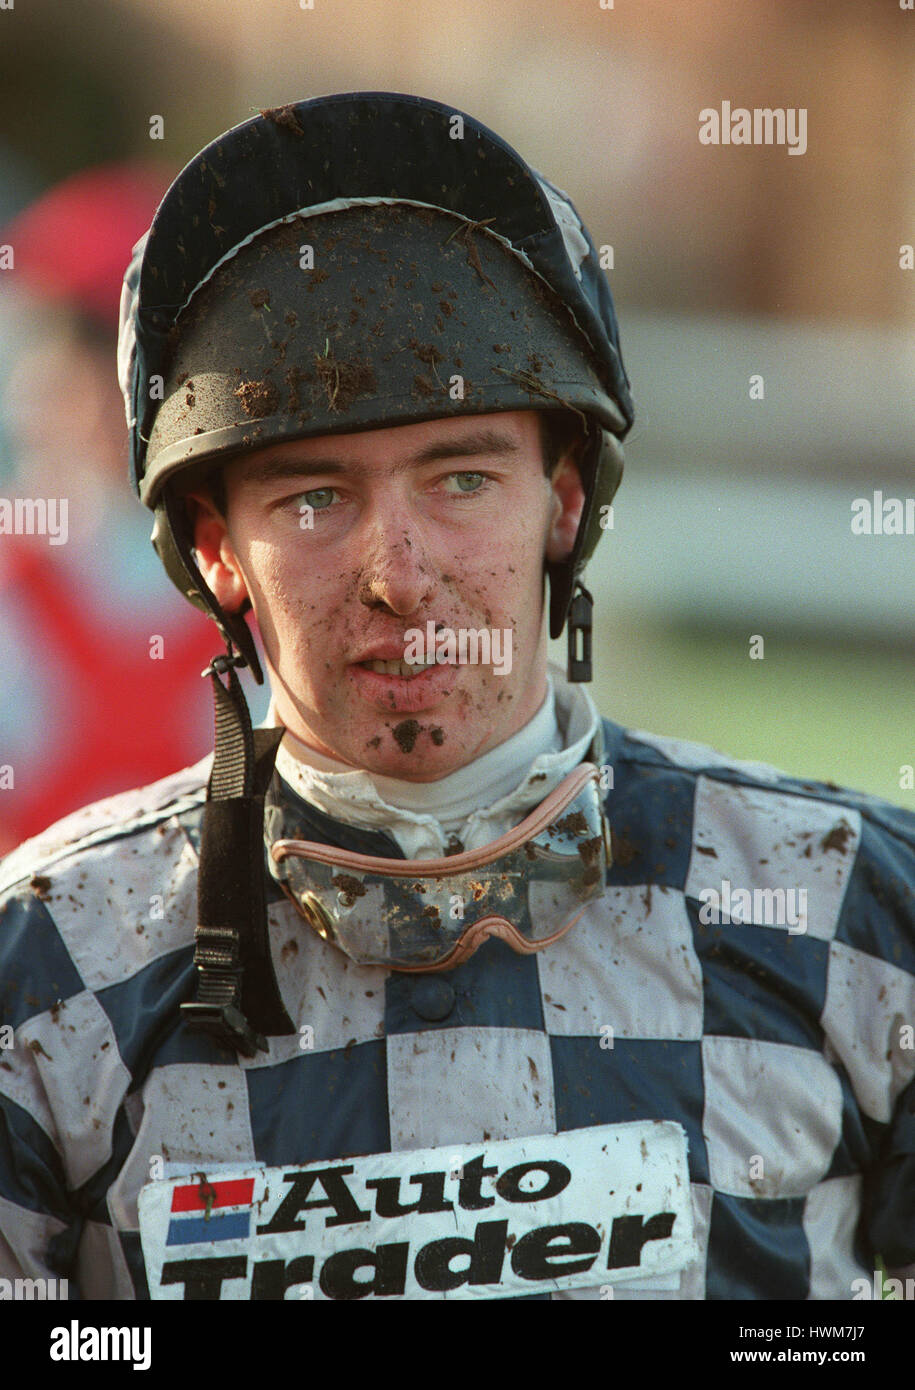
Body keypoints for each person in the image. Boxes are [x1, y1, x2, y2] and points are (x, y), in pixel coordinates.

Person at [0, 93, 912, 1303]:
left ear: (567, 500)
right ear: (218, 551)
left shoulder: (855, 911)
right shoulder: (46, 973)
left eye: (464, 476)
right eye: (314, 497)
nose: (400, 573)